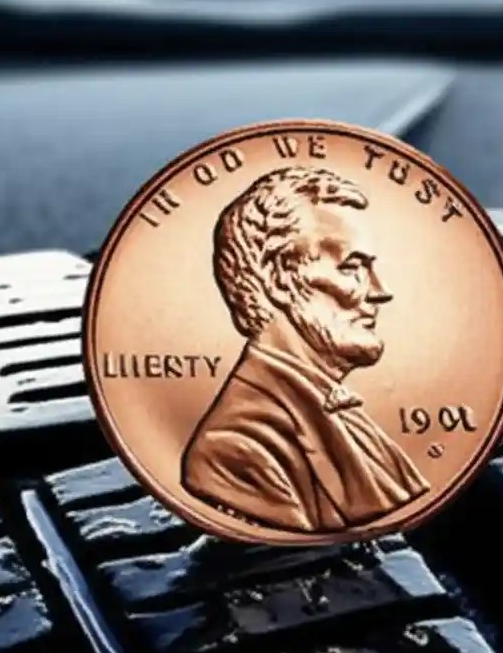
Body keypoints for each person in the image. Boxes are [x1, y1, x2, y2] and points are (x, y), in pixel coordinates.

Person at [180, 165, 431, 533]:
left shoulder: (342, 413)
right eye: (353, 267)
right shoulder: (234, 449)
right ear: (279, 276)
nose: (379, 291)